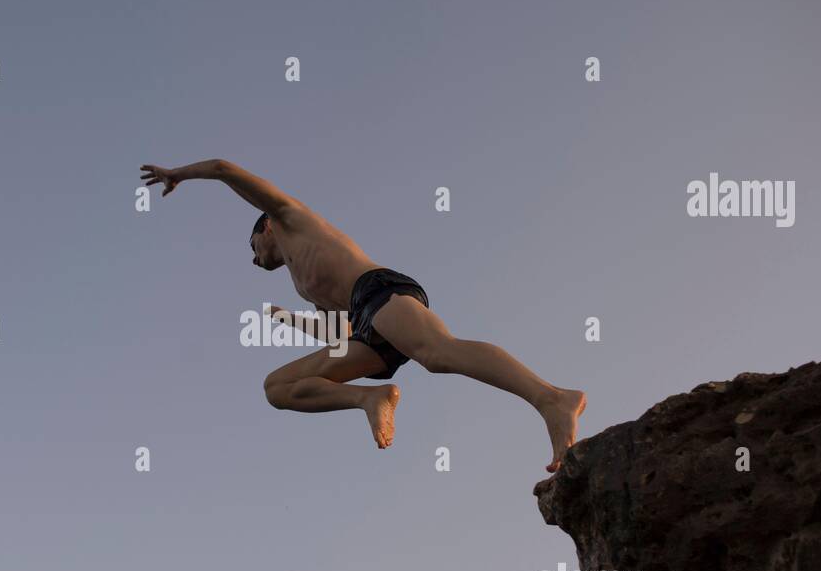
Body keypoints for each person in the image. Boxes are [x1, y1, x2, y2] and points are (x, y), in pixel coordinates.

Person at [140, 159, 586, 472]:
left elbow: (224, 169)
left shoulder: (290, 217)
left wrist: (179, 174)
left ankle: (551, 398)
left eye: (251, 248)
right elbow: (341, 331)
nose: (254, 260)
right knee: (278, 388)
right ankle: (369, 400)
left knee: (438, 353)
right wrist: (290, 320)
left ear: (264, 229)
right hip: (367, 329)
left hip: (380, 290)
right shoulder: (299, 281)